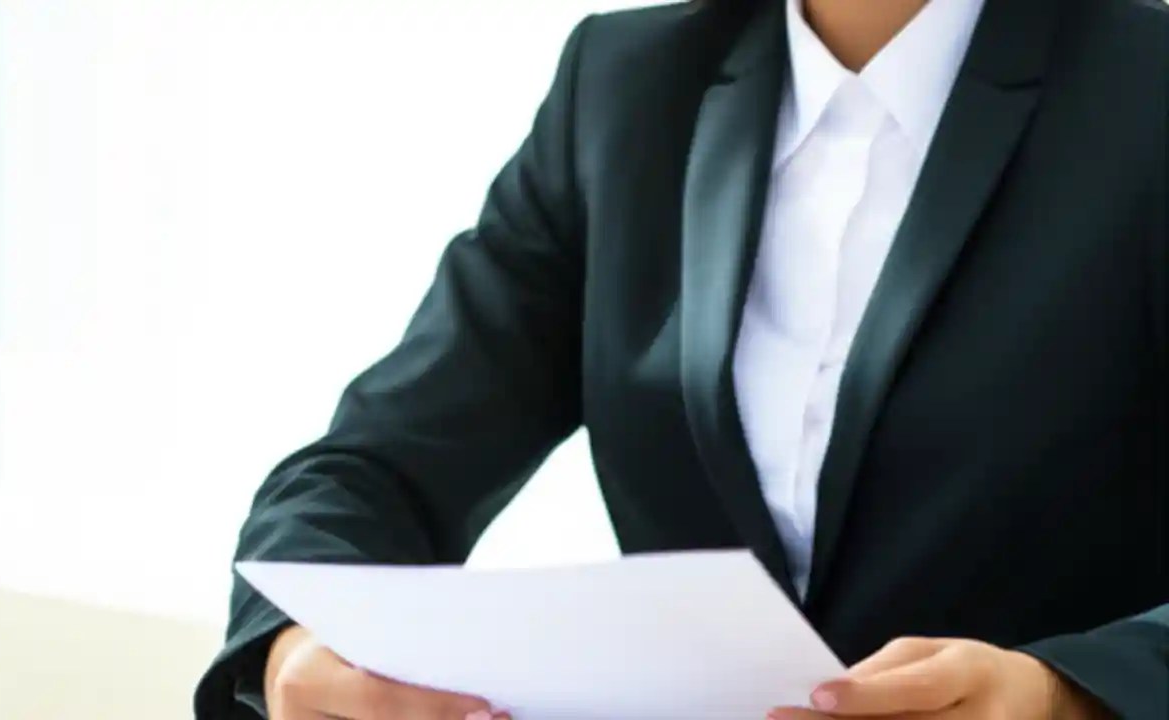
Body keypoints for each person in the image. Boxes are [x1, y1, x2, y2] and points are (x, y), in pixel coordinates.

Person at [194, 0, 1168, 717]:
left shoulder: (1144, 90)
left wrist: (1066, 695)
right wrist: (294, 644)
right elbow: (375, 463)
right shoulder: (622, 84)